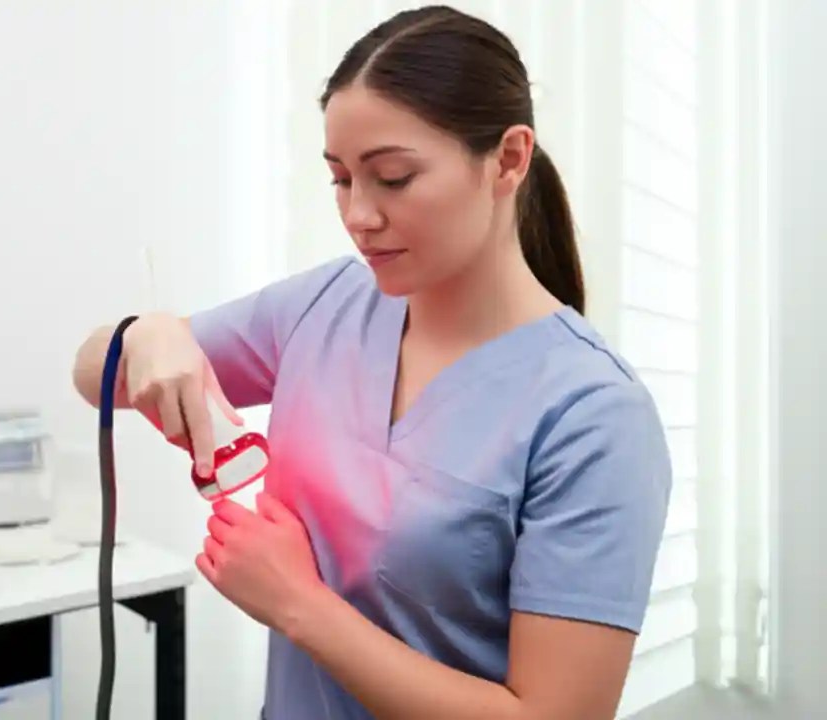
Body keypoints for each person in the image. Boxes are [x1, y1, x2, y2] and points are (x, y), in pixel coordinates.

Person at [72, 5, 671, 719]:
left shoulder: (593, 414)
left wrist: (299, 605)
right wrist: (149, 335)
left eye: (391, 177)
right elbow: (94, 377)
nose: (359, 214)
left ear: (509, 159)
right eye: (340, 179)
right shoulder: (326, 304)